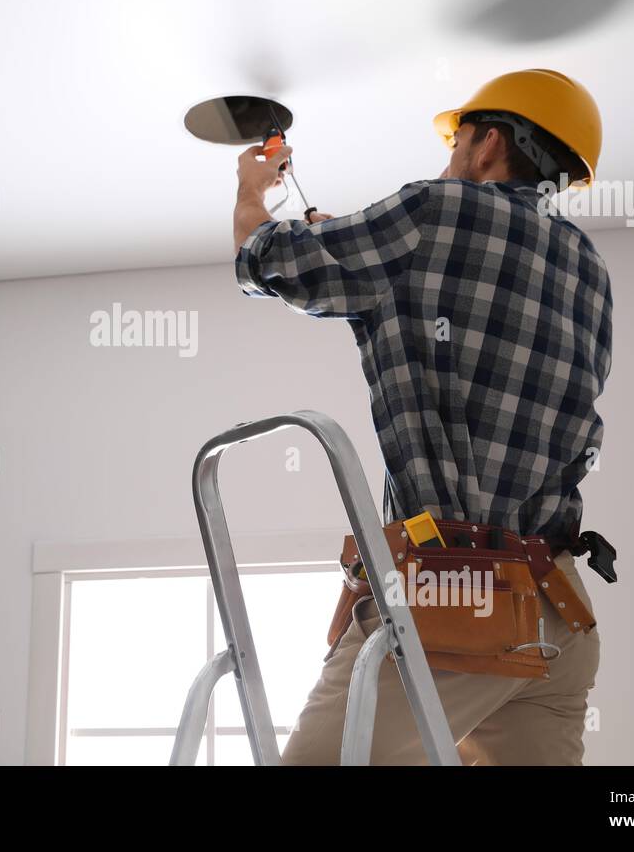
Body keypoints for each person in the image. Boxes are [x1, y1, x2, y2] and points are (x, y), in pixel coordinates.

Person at [231, 69, 612, 765]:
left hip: (459, 598)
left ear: (488, 142)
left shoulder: (436, 211)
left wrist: (252, 194)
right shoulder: (589, 265)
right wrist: (375, 260)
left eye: (456, 141)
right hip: (560, 612)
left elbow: (267, 262)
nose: (450, 157)